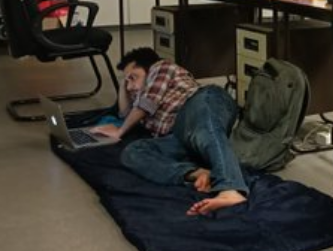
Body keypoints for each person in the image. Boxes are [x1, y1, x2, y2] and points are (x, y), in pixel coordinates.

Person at [91, 48, 249, 217]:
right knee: (133, 151)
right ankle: (197, 173)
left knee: (206, 130)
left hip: (200, 102)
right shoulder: (138, 100)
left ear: (148, 70)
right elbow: (124, 113)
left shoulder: (161, 67)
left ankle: (230, 188)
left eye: (133, 77)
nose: (131, 86)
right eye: (127, 81)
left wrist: (120, 131)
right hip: (179, 134)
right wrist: (124, 84)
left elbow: (147, 103)